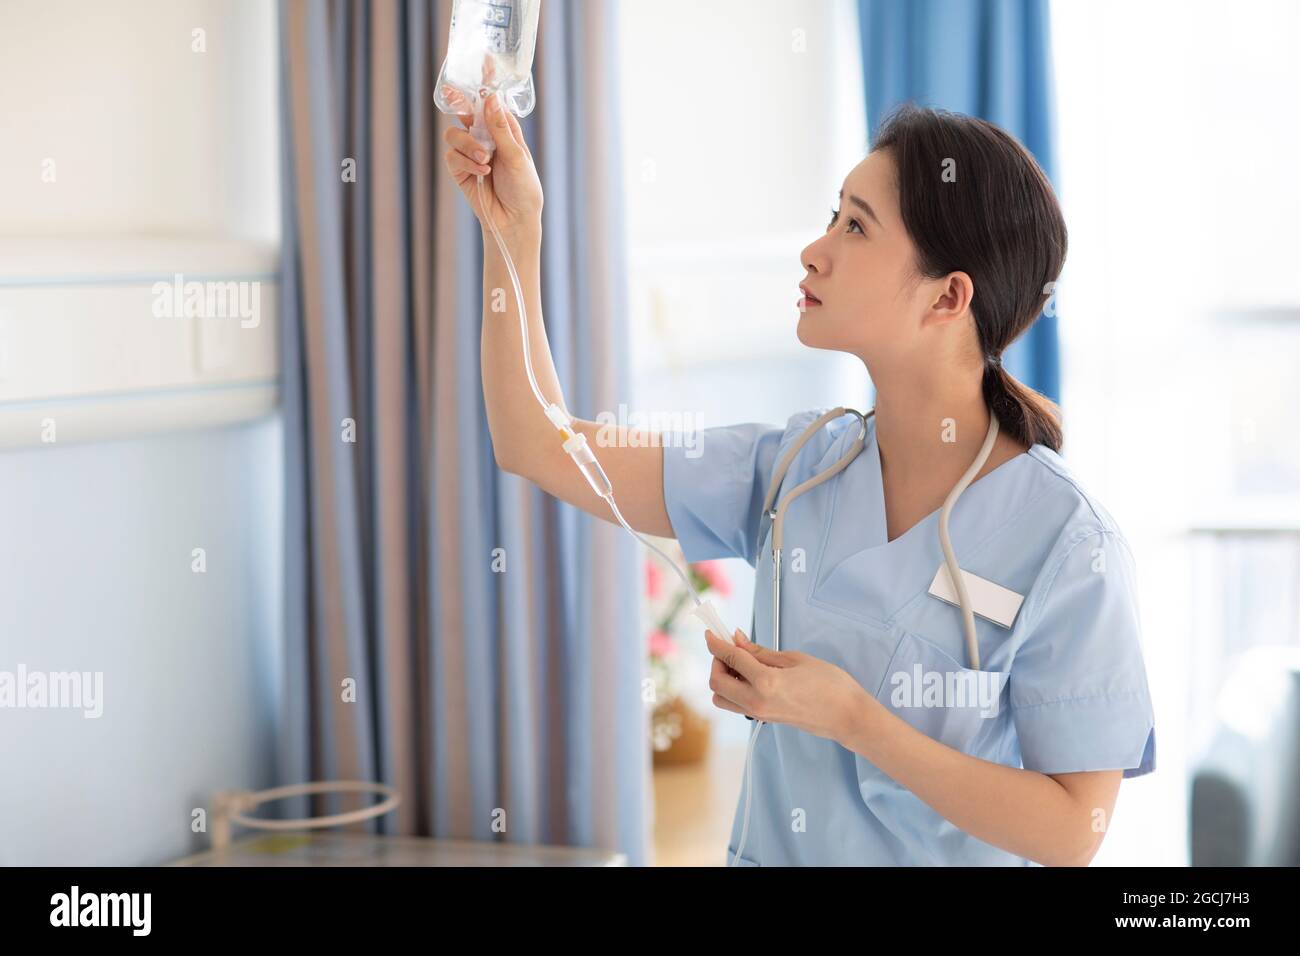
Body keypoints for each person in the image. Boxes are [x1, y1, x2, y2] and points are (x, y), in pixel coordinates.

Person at [442, 91, 1156, 867]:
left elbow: (1072, 831)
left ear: (948, 297)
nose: (815, 251)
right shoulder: (797, 471)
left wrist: (856, 719)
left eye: (855, 226)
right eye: (832, 216)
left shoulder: (1067, 545)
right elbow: (538, 443)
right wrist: (514, 235)